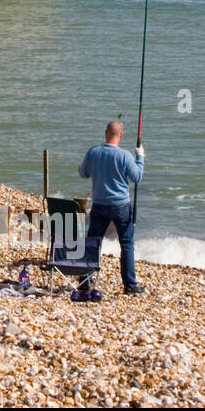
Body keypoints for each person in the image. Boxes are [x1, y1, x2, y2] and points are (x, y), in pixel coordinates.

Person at [78, 120, 146, 296]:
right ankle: (130, 285)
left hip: (99, 205)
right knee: (127, 244)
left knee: (92, 243)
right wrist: (140, 157)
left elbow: (82, 173)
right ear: (121, 135)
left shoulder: (93, 152)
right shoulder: (124, 156)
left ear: (105, 133)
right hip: (121, 205)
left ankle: (86, 281)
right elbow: (137, 177)